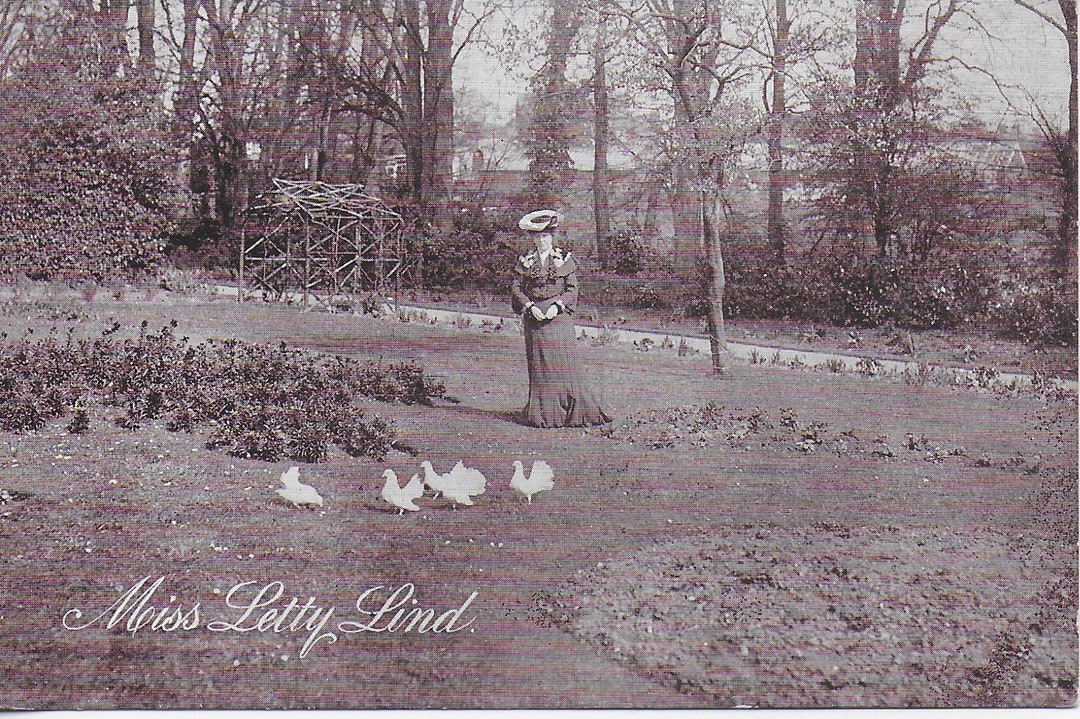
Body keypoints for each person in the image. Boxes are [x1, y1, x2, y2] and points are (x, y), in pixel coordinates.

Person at [511, 210, 612, 428]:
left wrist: (556, 306)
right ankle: (545, 413)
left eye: (545, 236)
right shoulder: (526, 260)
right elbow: (516, 288)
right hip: (534, 319)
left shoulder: (563, 259)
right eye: (537, 237)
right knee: (541, 365)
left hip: (559, 319)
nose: (541, 240)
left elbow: (572, 289)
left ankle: (572, 409)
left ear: (552, 236)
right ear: (532, 238)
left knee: (564, 364)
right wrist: (529, 306)